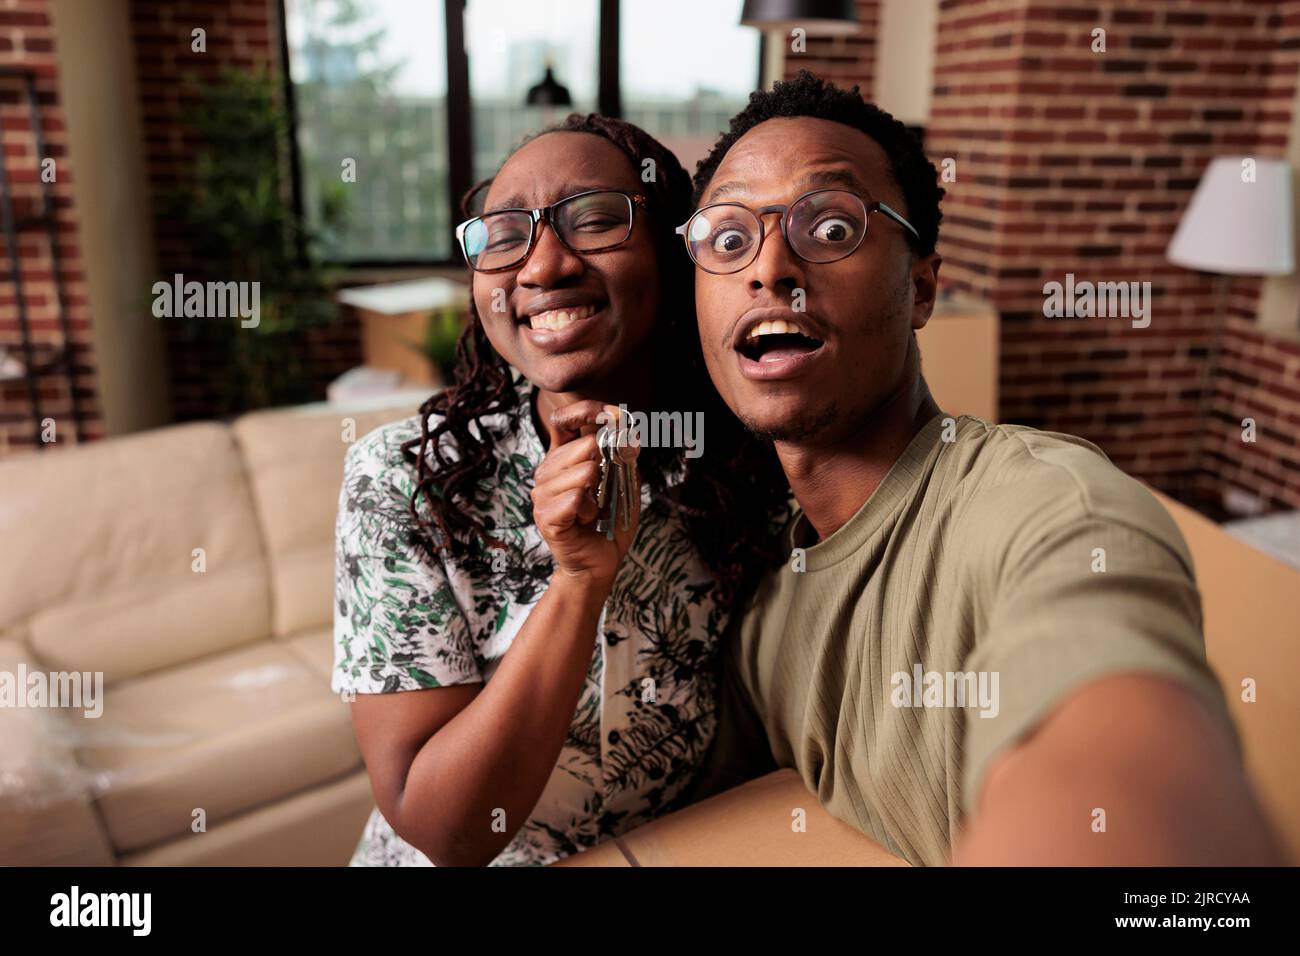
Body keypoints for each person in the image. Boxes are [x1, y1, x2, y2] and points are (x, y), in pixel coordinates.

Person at [683, 71, 1284, 866]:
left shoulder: (1051, 510)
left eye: (830, 227)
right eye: (729, 239)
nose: (769, 268)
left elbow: (1119, 776)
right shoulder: (756, 590)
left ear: (921, 289)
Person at [331, 113, 789, 866]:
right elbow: (444, 829)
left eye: (597, 220)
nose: (543, 266)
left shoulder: (747, 463)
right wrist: (577, 581)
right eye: (504, 235)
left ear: (674, 252)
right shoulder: (403, 480)